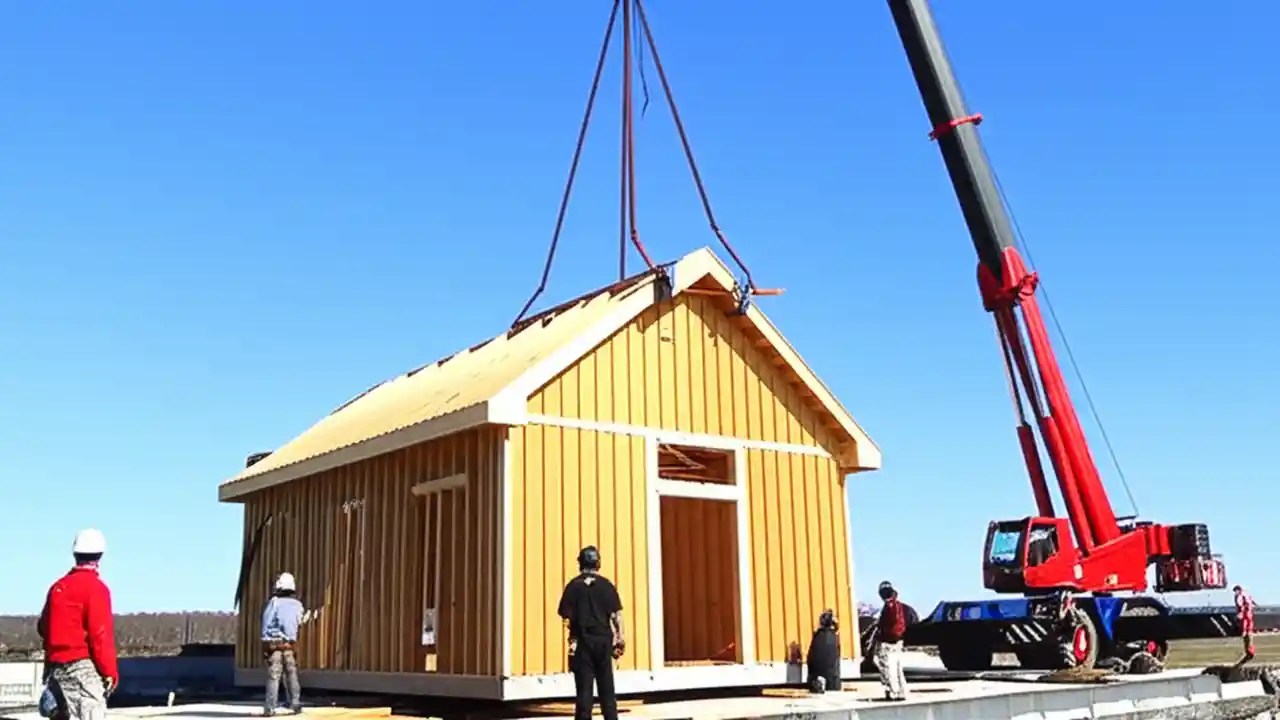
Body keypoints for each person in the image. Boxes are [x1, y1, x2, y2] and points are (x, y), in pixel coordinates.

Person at [36, 528, 119, 720]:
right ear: (100, 556)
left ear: (75, 554)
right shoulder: (97, 589)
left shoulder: (58, 587)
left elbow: (43, 628)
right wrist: (110, 672)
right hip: (82, 670)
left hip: (57, 672)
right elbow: (100, 636)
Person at [557, 546, 625, 720]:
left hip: (583, 642)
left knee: (584, 694)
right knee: (607, 691)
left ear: (580, 563)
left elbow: (566, 617)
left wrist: (572, 640)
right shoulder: (606, 586)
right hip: (603, 641)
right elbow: (616, 615)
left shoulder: (573, 586)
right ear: (598, 563)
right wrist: (620, 640)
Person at [261, 572, 306, 716]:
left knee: (274, 675)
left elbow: (266, 623)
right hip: (288, 645)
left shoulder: (274, 602)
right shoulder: (298, 605)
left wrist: (265, 643)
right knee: (291, 674)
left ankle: (270, 707)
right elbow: (299, 622)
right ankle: (295, 703)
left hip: (274, 644)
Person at [873, 580, 908, 701]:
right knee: (897, 666)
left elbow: (889, 622)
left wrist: (881, 632)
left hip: (888, 640)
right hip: (898, 640)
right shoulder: (898, 605)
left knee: (885, 664)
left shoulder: (890, 606)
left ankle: (892, 691)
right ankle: (901, 691)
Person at [805, 609, 842, 693]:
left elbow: (810, 658)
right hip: (831, 682)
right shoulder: (833, 637)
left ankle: (817, 682)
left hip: (814, 678)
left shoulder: (817, 635)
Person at [1234, 584, 1256, 666]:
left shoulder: (1240, 596)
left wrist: (1240, 612)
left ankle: (1249, 653)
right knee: (1248, 635)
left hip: (1246, 616)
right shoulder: (1246, 595)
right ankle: (1249, 652)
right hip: (1248, 616)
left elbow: (1241, 605)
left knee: (1247, 636)